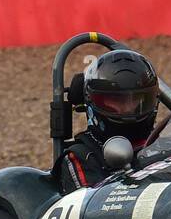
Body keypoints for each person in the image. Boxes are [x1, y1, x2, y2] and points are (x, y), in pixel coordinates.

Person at [52, 49, 160, 192]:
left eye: (136, 99)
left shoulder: (165, 142)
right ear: (92, 101)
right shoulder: (81, 157)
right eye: (116, 100)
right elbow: (90, 209)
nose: (128, 108)